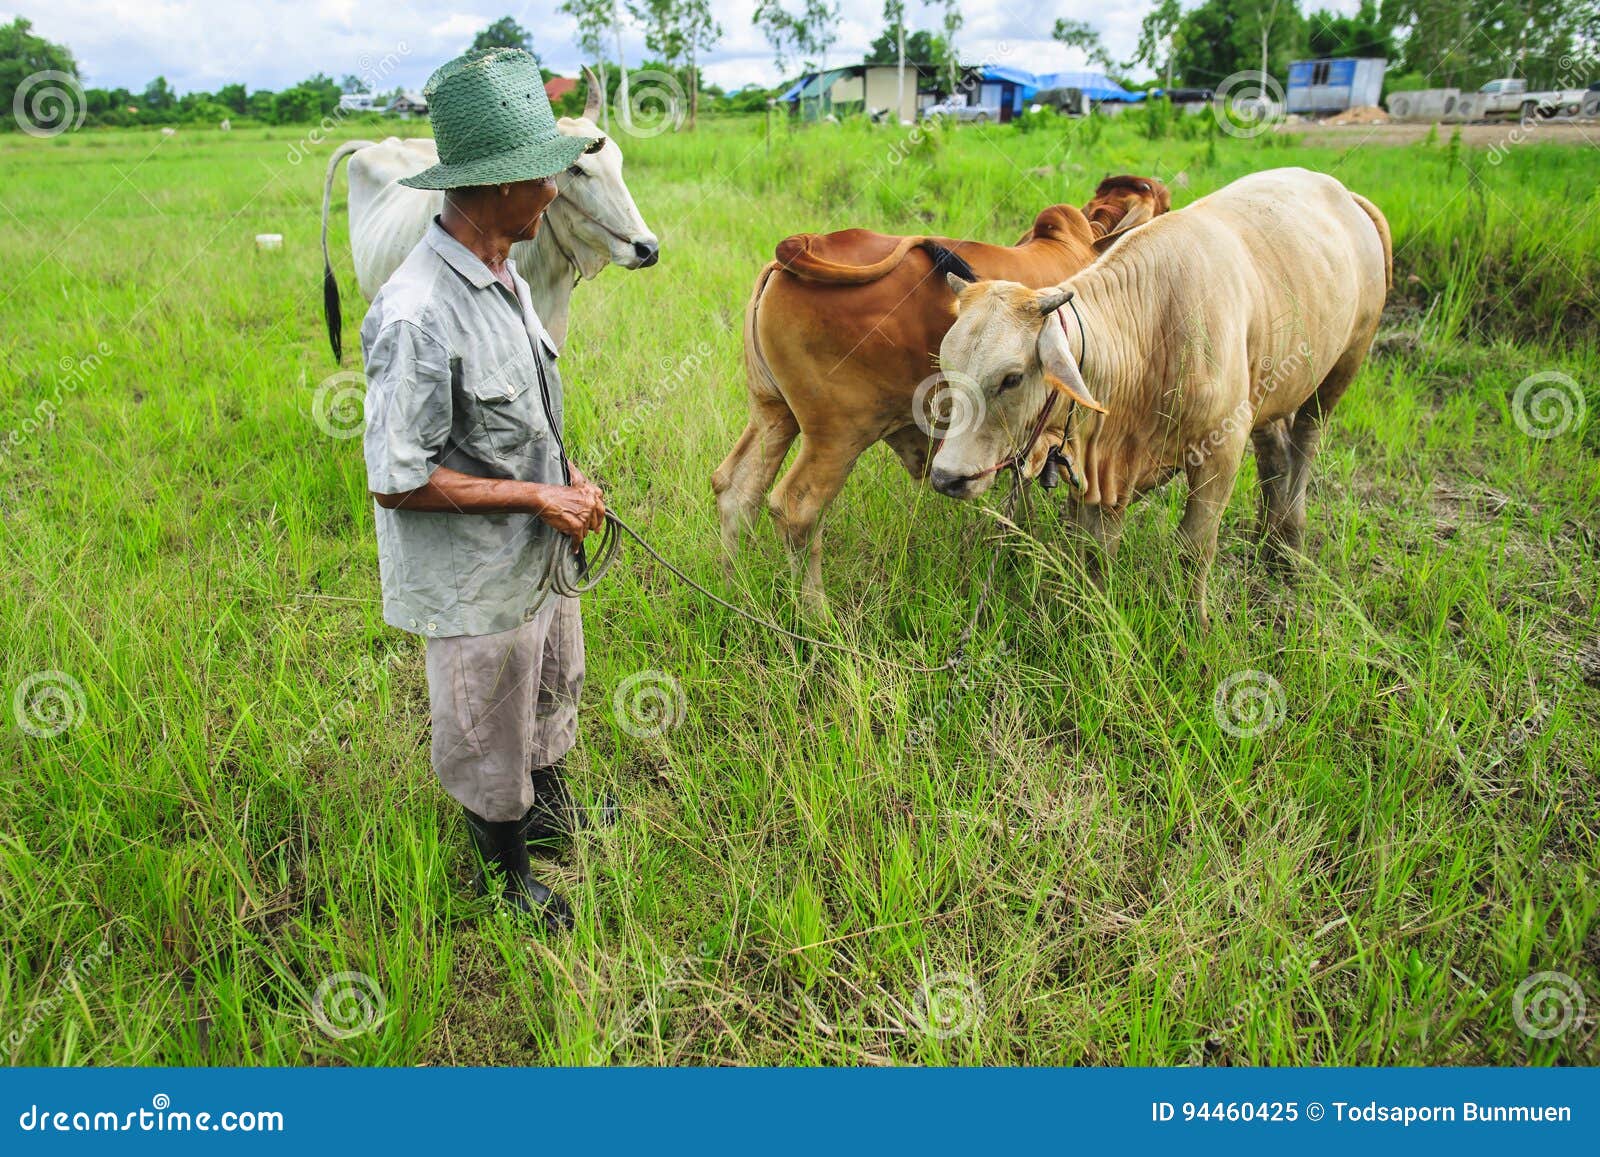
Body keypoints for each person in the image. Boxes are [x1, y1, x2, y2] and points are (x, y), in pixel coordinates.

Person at [359, 47, 613, 933]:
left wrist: (566, 478)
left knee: (551, 683)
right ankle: (505, 879)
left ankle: (549, 812)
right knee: (487, 724)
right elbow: (399, 480)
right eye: (543, 177)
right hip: (477, 575)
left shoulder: (508, 272)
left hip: (538, 556)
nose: (555, 190)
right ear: (496, 187)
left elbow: (524, 411)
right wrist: (541, 501)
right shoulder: (417, 311)